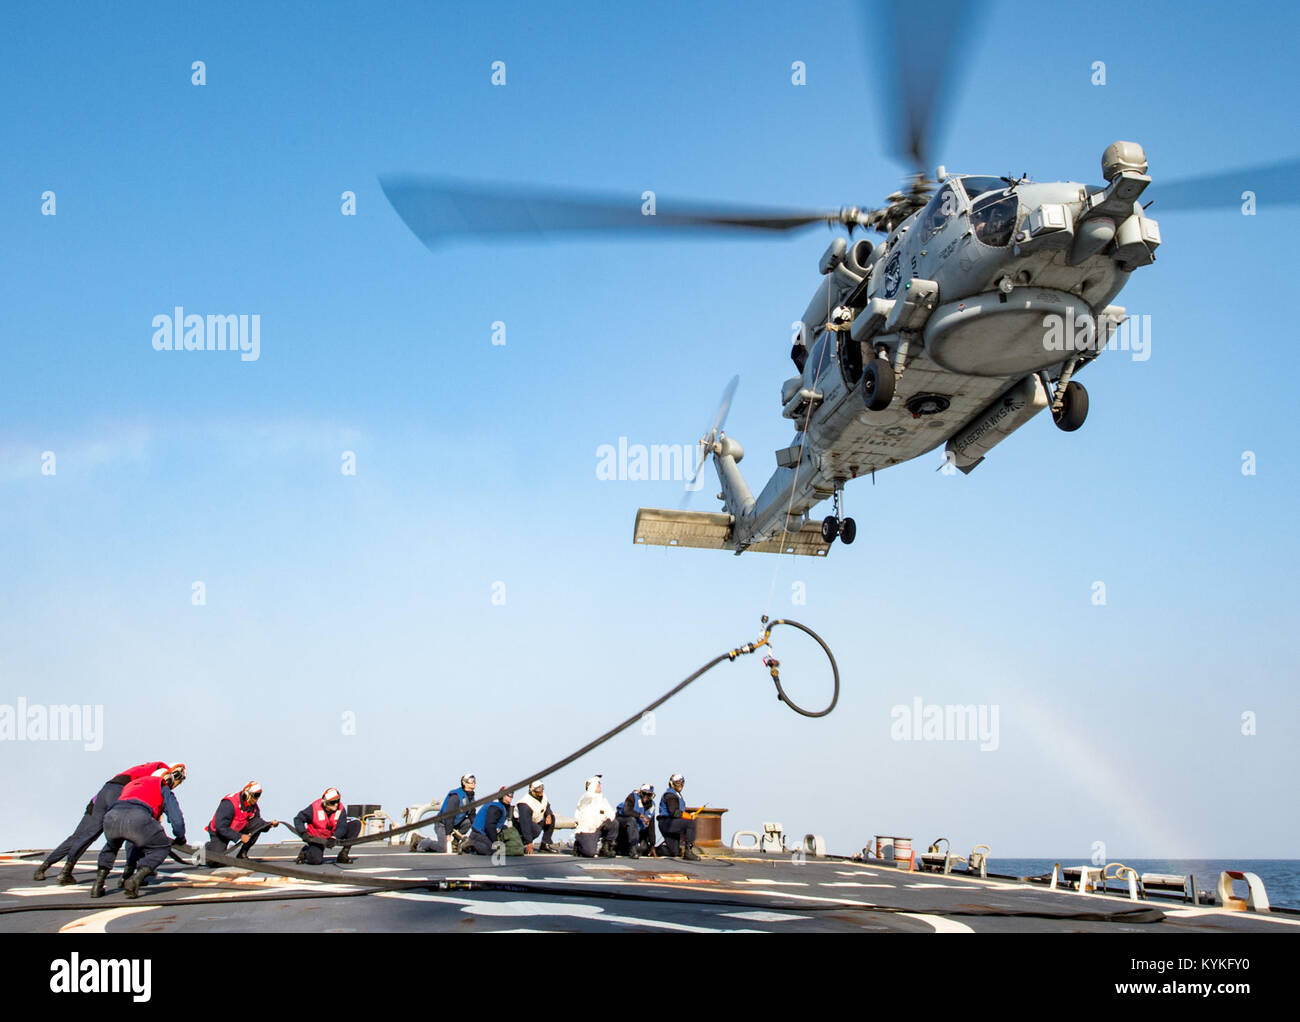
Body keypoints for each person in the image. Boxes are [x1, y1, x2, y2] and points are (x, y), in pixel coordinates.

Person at [35, 760, 168, 885]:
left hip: (99, 798)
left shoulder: (133, 771)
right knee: (128, 830)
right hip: (117, 796)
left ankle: (51, 869)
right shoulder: (159, 772)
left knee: (82, 836)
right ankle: (127, 876)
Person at [91, 763, 188, 899]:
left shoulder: (131, 784)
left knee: (111, 846)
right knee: (161, 848)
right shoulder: (162, 786)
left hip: (112, 816)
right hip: (138, 817)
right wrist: (180, 836)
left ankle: (98, 884)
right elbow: (176, 818)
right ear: (167, 779)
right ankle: (136, 879)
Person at [204, 782, 279, 862]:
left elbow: (258, 824)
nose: (257, 798)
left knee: (258, 823)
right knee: (215, 861)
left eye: (259, 795)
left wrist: (270, 825)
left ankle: (242, 854)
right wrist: (239, 836)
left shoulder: (253, 806)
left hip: (238, 829)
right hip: (220, 833)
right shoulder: (229, 803)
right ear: (247, 794)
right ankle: (208, 847)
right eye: (256, 795)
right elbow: (220, 827)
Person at [293, 787, 361, 866]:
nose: (336, 804)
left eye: (338, 801)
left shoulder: (340, 808)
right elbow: (298, 819)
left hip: (331, 836)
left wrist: (334, 837)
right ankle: (305, 851)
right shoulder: (314, 808)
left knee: (355, 824)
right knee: (315, 860)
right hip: (317, 839)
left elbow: (342, 826)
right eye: (332, 802)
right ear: (325, 803)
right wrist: (303, 832)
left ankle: (343, 854)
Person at [656, 773, 700, 861]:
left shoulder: (677, 795)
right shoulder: (670, 795)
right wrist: (688, 816)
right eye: (677, 783)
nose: (680, 785)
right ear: (672, 784)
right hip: (667, 823)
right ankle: (688, 852)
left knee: (674, 852)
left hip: (670, 824)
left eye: (681, 783)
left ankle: (653, 850)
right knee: (690, 824)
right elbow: (674, 812)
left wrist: (688, 815)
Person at [574, 775, 618, 858]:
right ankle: (578, 845)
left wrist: (608, 819)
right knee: (590, 853)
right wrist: (593, 781)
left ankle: (605, 848)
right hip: (587, 830)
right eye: (598, 785)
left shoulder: (602, 798)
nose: (600, 786)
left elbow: (611, 812)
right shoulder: (586, 798)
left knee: (614, 823)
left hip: (599, 828)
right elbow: (588, 797)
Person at [463, 789, 514, 855]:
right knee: (492, 850)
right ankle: (471, 844)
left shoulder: (503, 807)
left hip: (485, 834)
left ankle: (473, 846)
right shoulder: (495, 806)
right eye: (508, 796)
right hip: (479, 833)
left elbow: (499, 825)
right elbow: (490, 825)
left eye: (511, 796)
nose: (510, 798)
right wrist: (495, 842)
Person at [616, 783, 657, 859]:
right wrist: (640, 815)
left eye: (648, 795)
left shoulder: (652, 806)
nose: (645, 796)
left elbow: (651, 827)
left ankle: (634, 848)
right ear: (640, 792)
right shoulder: (632, 797)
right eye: (644, 793)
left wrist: (652, 845)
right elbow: (626, 811)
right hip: (623, 826)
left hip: (637, 831)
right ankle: (632, 848)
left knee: (643, 848)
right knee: (632, 820)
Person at [437, 774, 477, 852]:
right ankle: (422, 842)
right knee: (443, 849)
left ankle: (455, 842)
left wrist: (478, 831)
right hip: (443, 824)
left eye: (474, 780)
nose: (473, 783)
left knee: (468, 822)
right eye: (470, 781)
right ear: (464, 783)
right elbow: (449, 815)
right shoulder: (455, 796)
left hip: (456, 823)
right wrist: (448, 834)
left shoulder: (471, 797)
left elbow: (472, 815)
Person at [515, 781, 557, 853]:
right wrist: (529, 842)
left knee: (552, 818)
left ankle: (545, 844)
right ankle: (521, 843)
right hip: (520, 824)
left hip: (535, 819)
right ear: (532, 790)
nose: (541, 790)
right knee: (536, 830)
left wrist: (548, 814)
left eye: (542, 788)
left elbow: (546, 805)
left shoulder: (543, 796)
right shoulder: (525, 803)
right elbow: (525, 824)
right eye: (538, 788)